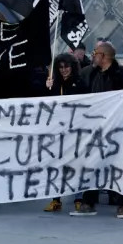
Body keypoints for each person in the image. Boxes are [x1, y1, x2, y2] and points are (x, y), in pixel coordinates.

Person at [70, 41, 123, 218]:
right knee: (91, 163)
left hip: (116, 130)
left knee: (120, 165)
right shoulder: (90, 73)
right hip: (94, 128)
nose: (92, 55)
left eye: (95, 53)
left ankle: (122, 204)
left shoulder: (121, 75)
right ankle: (89, 201)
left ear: (103, 56)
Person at [41, 53, 83, 213]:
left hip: (75, 129)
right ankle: (56, 199)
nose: (64, 70)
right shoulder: (54, 84)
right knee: (56, 165)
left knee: (76, 164)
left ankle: (78, 198)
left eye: (66, 66)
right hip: (57, 131)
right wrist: (47, 88)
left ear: (72, 67)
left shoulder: (79, 83)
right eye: (61, 67)